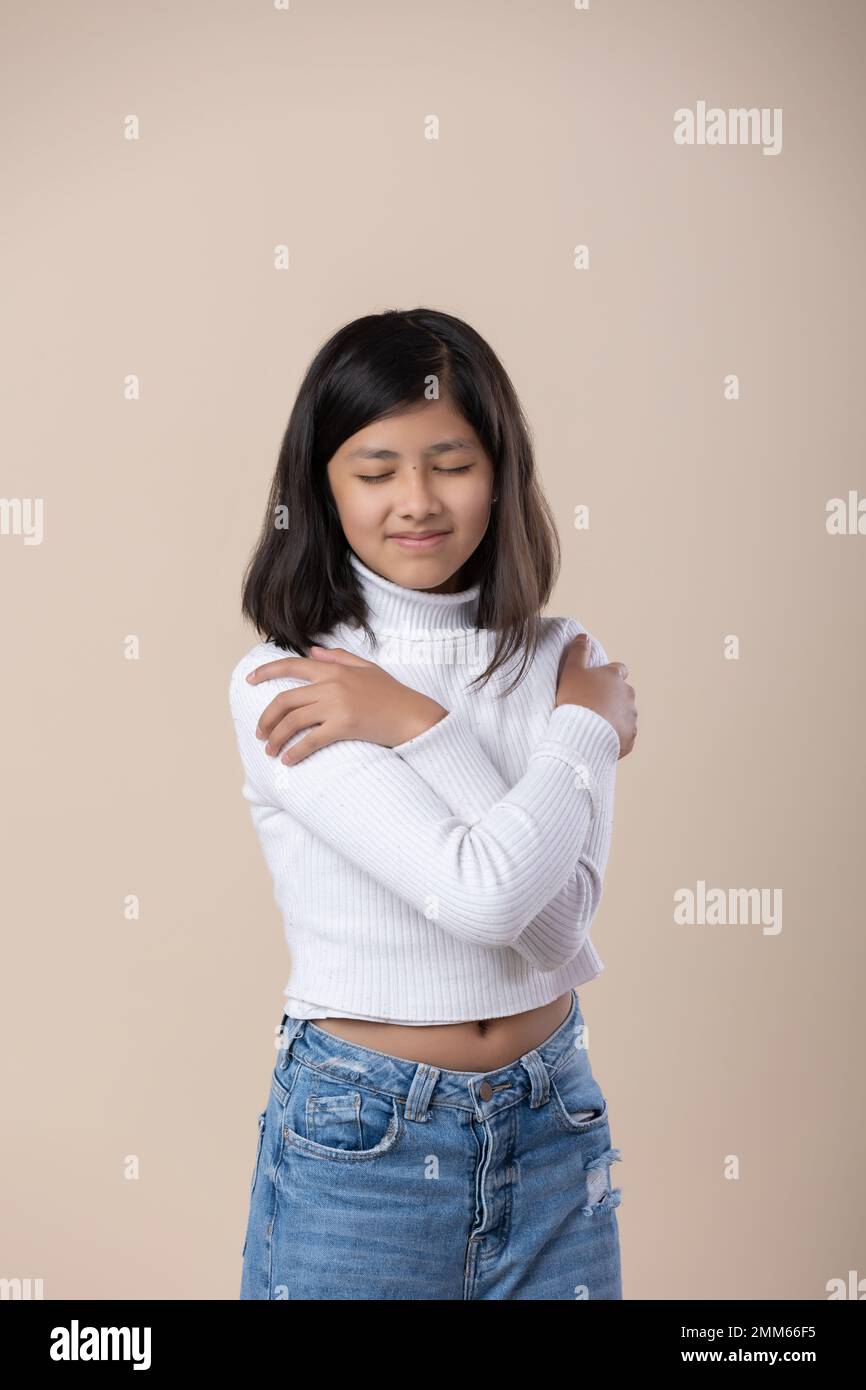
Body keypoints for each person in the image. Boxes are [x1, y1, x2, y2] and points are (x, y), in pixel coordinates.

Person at [228, 307, 638, 1299]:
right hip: (362, 1136)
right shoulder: (290, 682)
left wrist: (417, 725)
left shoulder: (560, 662)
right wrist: (570, 733)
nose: (415, 500)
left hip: (554, 1123)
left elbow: (552, 929)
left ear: (499, 473)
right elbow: (483, 899)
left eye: (450, 462)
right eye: (374, 471)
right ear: (320, 490)